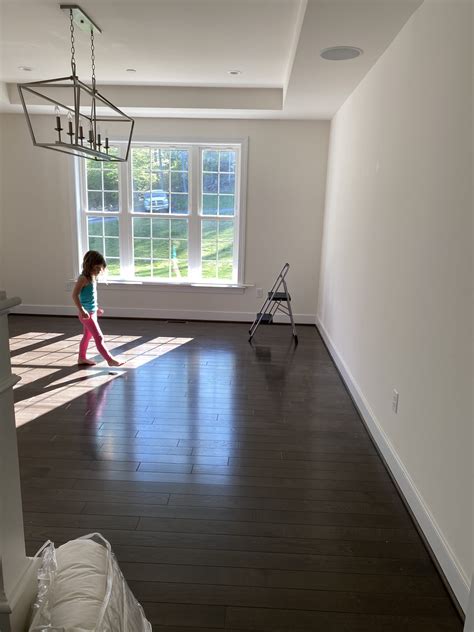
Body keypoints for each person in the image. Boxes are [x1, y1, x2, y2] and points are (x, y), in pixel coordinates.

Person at [72, 250, 123, 367]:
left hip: (91, 312)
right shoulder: (83, 279)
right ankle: (110, 360)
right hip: (86, 314)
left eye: (101, 268)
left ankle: (81, 358)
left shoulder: (92, 277)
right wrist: (82, 310)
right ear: (89, 265)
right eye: (97, 268)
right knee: (99, 337)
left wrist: (96, 309)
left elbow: (89, 297)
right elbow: (74, 295)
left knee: (87, 336)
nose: (99, 271)